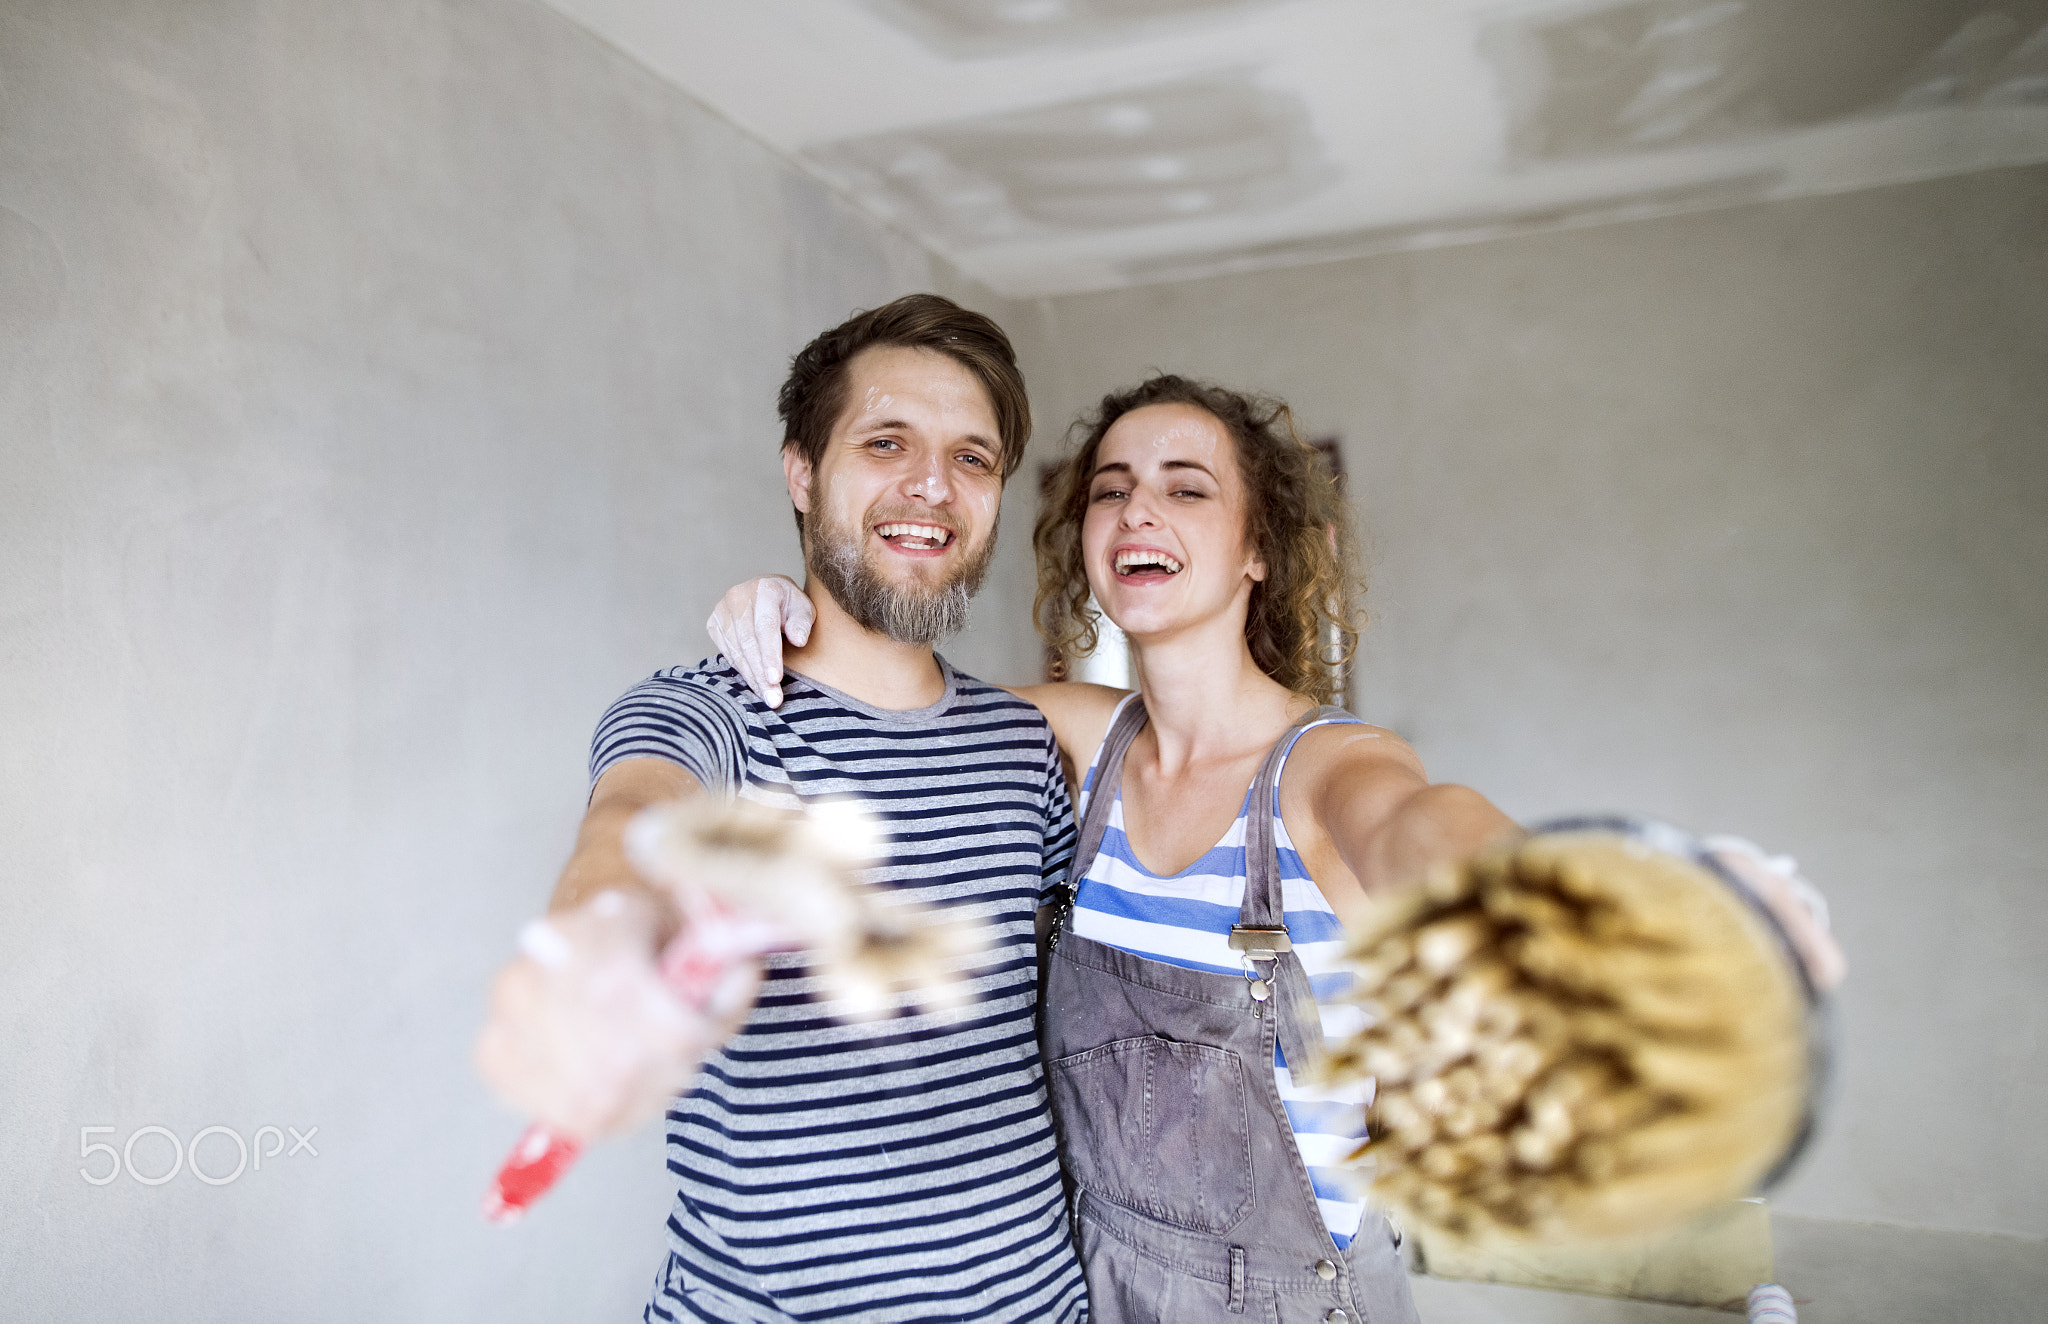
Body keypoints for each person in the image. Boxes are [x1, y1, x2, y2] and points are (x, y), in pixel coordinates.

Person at [707, 376, 1848, 1323]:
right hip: (1084, 1288)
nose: (1136, 511)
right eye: (1111, 490)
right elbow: (885, 696)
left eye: (1184, 488)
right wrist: (788, 607)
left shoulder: (1323, 768)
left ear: (1257, 548)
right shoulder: (1070, 742)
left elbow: (1423, 828)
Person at [475, 294, 1089, 1323]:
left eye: (971, 458)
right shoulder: (706, 714)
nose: (931, 485)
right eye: (885, 441)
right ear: (801, 472)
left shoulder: (1024, 746)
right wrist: (601, 941)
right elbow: (637, 819)